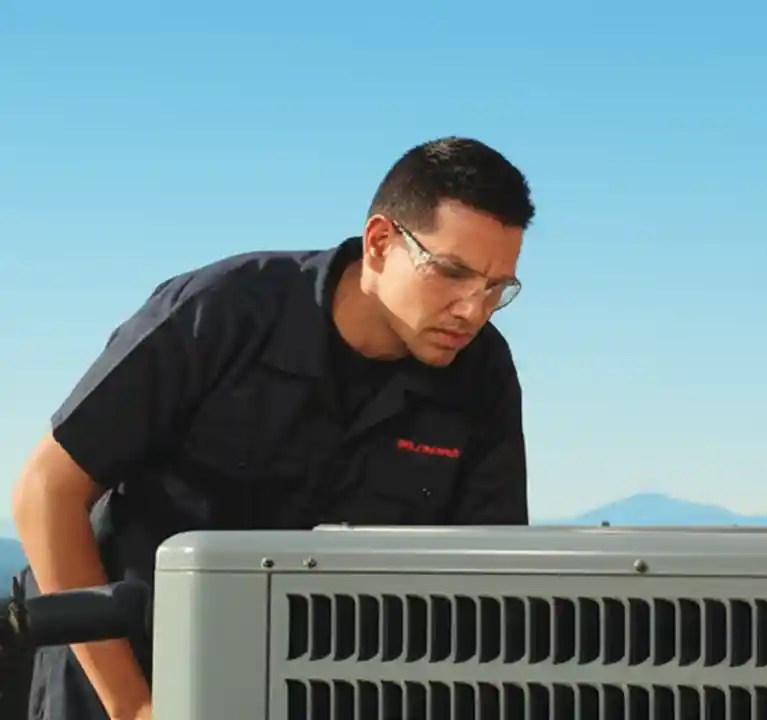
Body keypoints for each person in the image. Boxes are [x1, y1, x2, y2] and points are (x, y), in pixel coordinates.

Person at [9, 136, 535, 720]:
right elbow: (46, 491)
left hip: (311, 691)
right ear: (381, 242)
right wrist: (134, 705)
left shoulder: (482, 374)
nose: (472, 309)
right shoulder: (222, 311)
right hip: (120, 680)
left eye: (495, 288)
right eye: (451, 273)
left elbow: (490, 584)